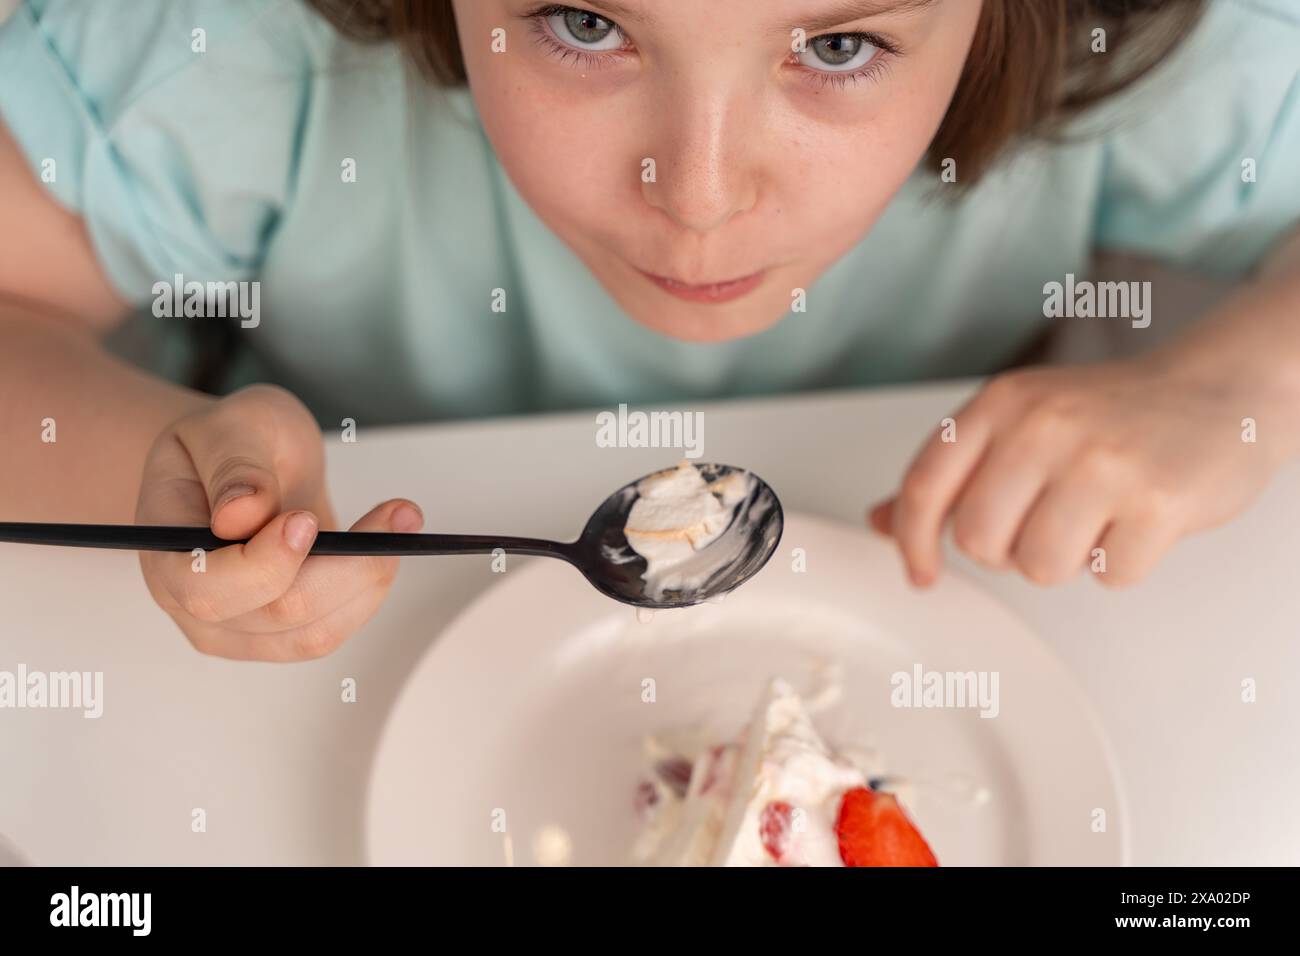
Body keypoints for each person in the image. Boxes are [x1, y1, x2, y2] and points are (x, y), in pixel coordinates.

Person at [1, 0, 1297, 660]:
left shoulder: (1144, 42)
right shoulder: (241, 43)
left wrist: (1242, 378)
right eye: (585, 24)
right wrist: (149, 460)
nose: (702, 194)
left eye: (838, 42)